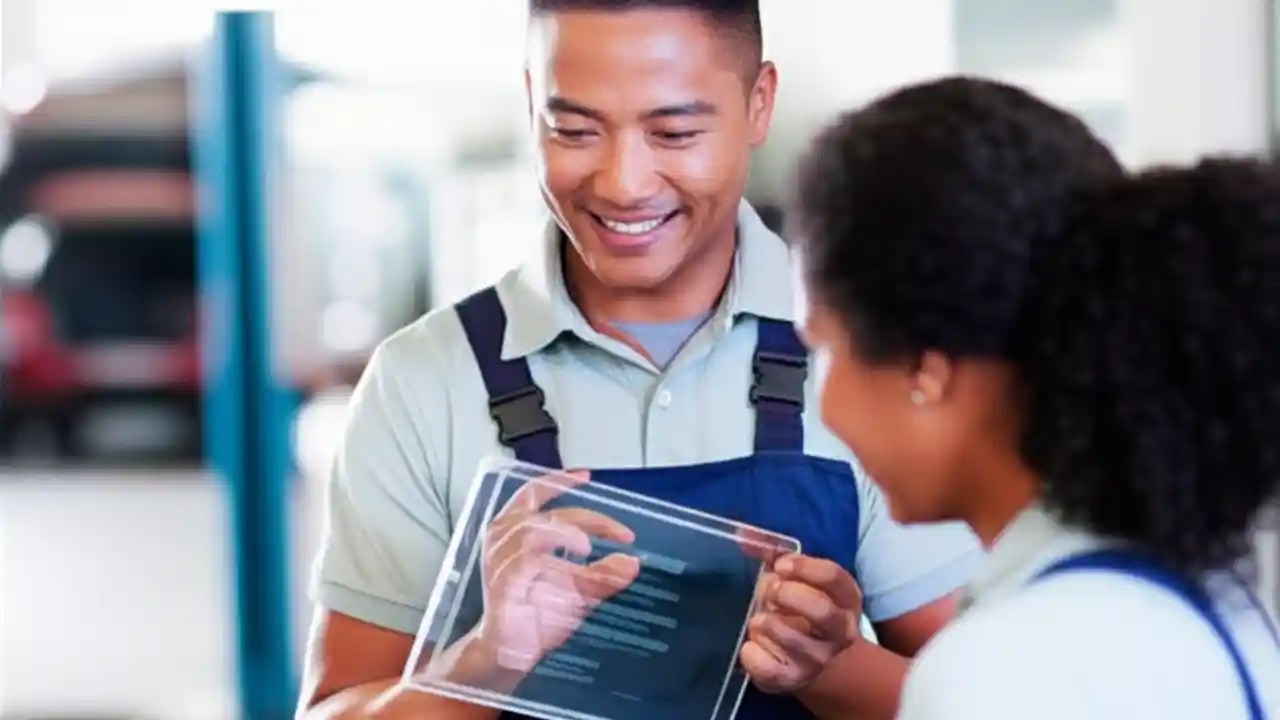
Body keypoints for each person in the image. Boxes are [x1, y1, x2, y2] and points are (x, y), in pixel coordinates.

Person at [296, 2, 982, 719]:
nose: (623, 184)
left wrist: (835, 668)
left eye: (674, 133)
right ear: (531, 103)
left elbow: (999, 699)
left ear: (759, 103)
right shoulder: (425, 382)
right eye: (575, 130)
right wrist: (485, 660)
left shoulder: (876, 355)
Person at [790, 75, 1280, 719]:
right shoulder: (1212, 599)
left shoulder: (1003, 666)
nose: (826, 408)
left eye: (825, 348)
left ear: (923, 367)